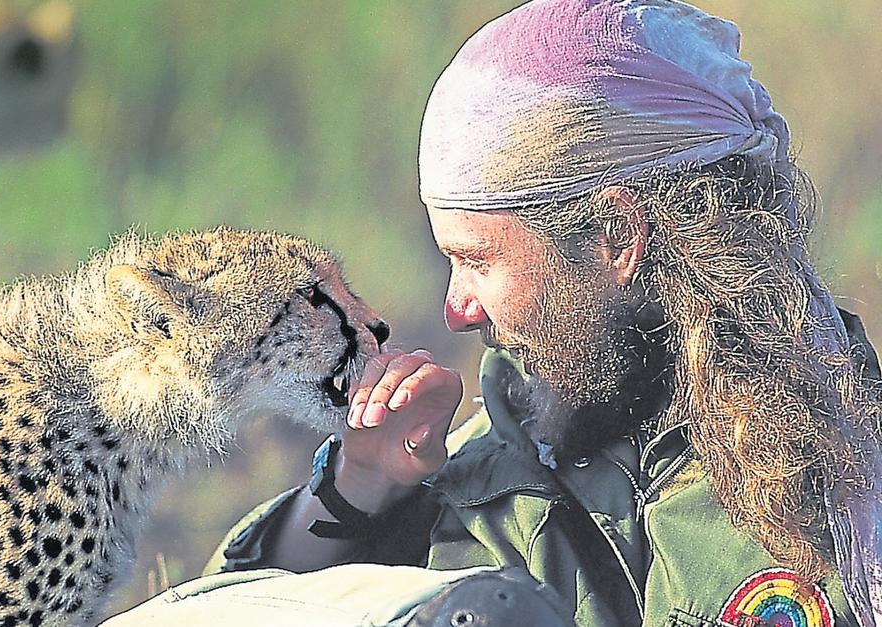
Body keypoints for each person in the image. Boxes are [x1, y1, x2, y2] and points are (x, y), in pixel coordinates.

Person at [196, 1, 882, 626]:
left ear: (616, 237)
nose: (457, 310)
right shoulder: (496, 458)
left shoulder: (845, 497)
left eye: (477, 259)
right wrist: (361, 482)